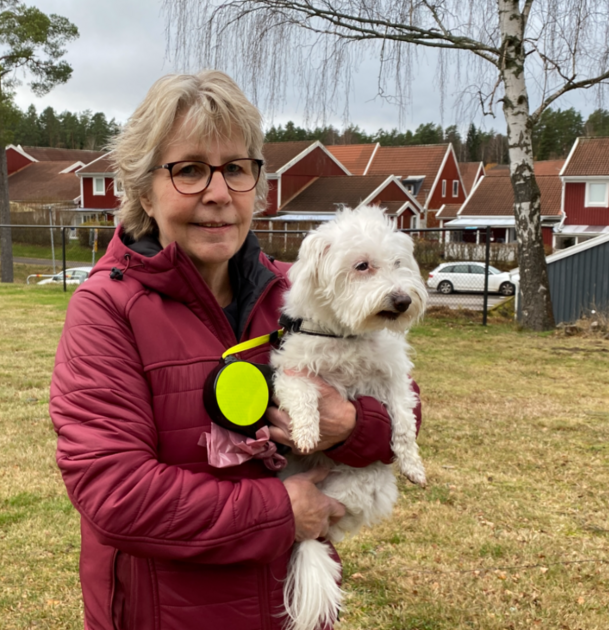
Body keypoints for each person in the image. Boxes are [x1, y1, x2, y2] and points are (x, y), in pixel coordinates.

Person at [49, 70, 421, 630]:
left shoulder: (293, 294)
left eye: (236, 169)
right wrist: (280, 514)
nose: (218, 193)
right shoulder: (108, 310)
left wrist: (352, 426)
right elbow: (114, 491)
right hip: (168, 614)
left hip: (290, 606)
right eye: (190, 169)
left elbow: (402, 396)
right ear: (144, 189)